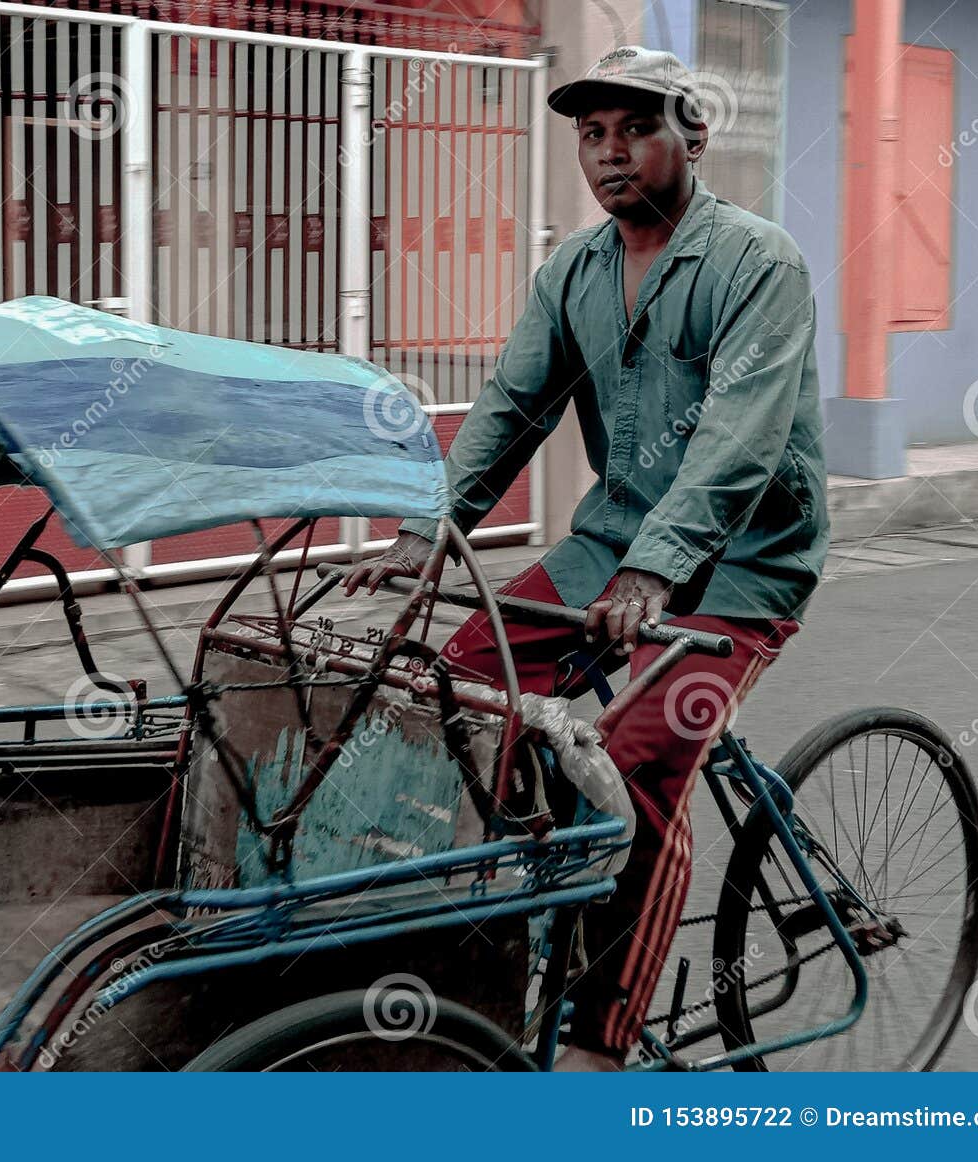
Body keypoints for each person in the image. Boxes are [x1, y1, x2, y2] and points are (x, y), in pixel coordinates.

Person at [344, 45, 829, 1070]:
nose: (610, 154)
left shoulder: (759, 264)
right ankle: (497, 919)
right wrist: (430, 532)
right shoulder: (574, 268)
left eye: (636, 129)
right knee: (462, 684)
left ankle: (603, 1043)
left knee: (640, 768)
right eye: (591, 133)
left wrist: (658, 570)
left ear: (692, 138)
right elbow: (513, 406)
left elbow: (738, 440)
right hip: (611, 544)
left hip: (741, 563)